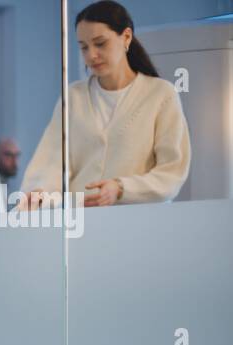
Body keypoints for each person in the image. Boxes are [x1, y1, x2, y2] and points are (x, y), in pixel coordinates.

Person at [20, 1, 190, 208]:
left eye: (100, 43)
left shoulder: (161, 94)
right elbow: (51, 164)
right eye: (84, 47)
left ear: (126, 37)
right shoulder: (73, 97)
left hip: (142, 226)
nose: (91, 55)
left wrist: (121, 188)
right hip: (81, 226)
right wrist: (39, 194)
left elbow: (171, 173)